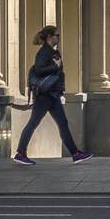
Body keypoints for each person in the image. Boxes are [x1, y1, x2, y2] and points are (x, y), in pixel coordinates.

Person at [13, 26, 93, 165]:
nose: (59, 38)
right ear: (49, 37)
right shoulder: (44, 52)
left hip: (53, 95)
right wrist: (54, 67)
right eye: (57, 35)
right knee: (33, 123)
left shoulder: (52, 52)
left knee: (63, 124)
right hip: (45, 95)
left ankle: (75, 154)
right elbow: (38, 70)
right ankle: (21, 153)